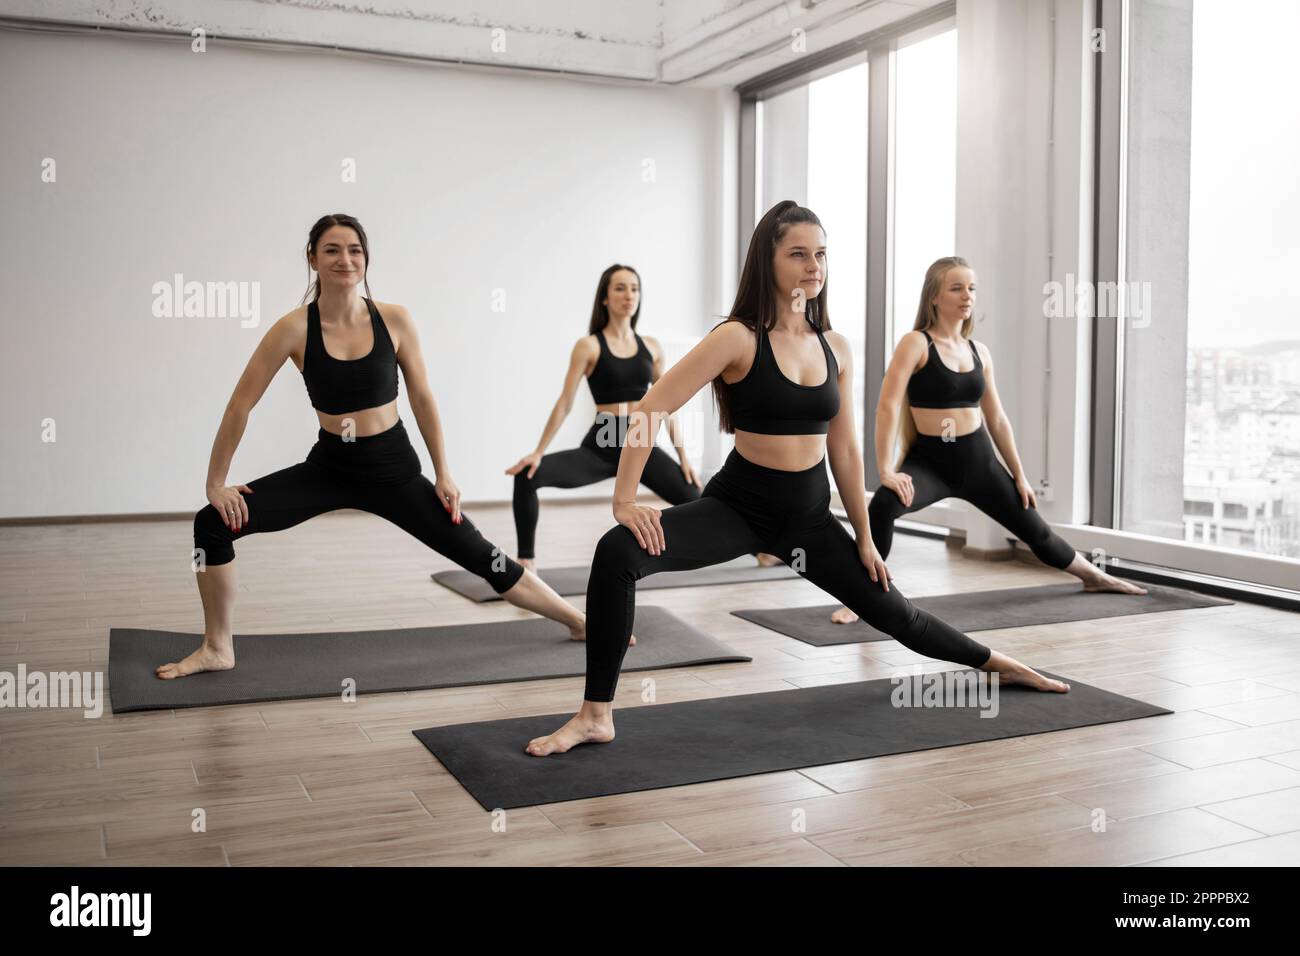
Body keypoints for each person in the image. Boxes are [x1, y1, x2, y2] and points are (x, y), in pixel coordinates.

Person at [525, 202, 1070, 757]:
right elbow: (649, 409)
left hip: (809, 520)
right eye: (799, 254)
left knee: (895, 612)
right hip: (737, 509)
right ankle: (596, 714)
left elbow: (845, 452)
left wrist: (862, 537)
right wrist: (624, 500)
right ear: (769, 259)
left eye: (822, 255)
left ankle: (995, 663)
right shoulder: (737, 337)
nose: (814, 266)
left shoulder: (834, 346)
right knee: (618, 553)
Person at [159, 213, 587, 679]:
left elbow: (423, 397)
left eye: (354, 250)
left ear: (366, 258)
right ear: (312, 259)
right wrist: (215, 483)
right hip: (329, 469)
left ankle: (580, 622)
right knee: (212, 523)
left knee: (485, 557)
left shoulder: (395, 319)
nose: (345, 259)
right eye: (332, 250)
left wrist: (444, 472)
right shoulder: (293, 329)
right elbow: (239, 406)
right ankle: (218, 646)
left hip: (394, 471)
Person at [829, 256, 1145, 626]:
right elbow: (887, 406)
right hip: (930, 464)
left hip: (980, 464)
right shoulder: (916, 344)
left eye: (972, 288)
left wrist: (1020, 475)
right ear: (934, 296)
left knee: (1036, 531)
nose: (967, 296)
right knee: (883, 507)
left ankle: (1094, 577)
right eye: (957, 288)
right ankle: (863, 598)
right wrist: (885, 469)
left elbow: (996, 418)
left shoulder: (978, 351)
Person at [505, 264, 781, 570]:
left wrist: (684, 458)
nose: (629, 295)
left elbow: (667, 404)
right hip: (602, 442)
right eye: (620, 288)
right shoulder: (588, 346)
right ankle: (526, 561)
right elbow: (565, 402)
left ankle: (762, 551)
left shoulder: (651, 347)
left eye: (634, 288)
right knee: (526, 476)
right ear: (605, 298)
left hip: (640, 441)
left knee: (700, 498)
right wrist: (538, 452)